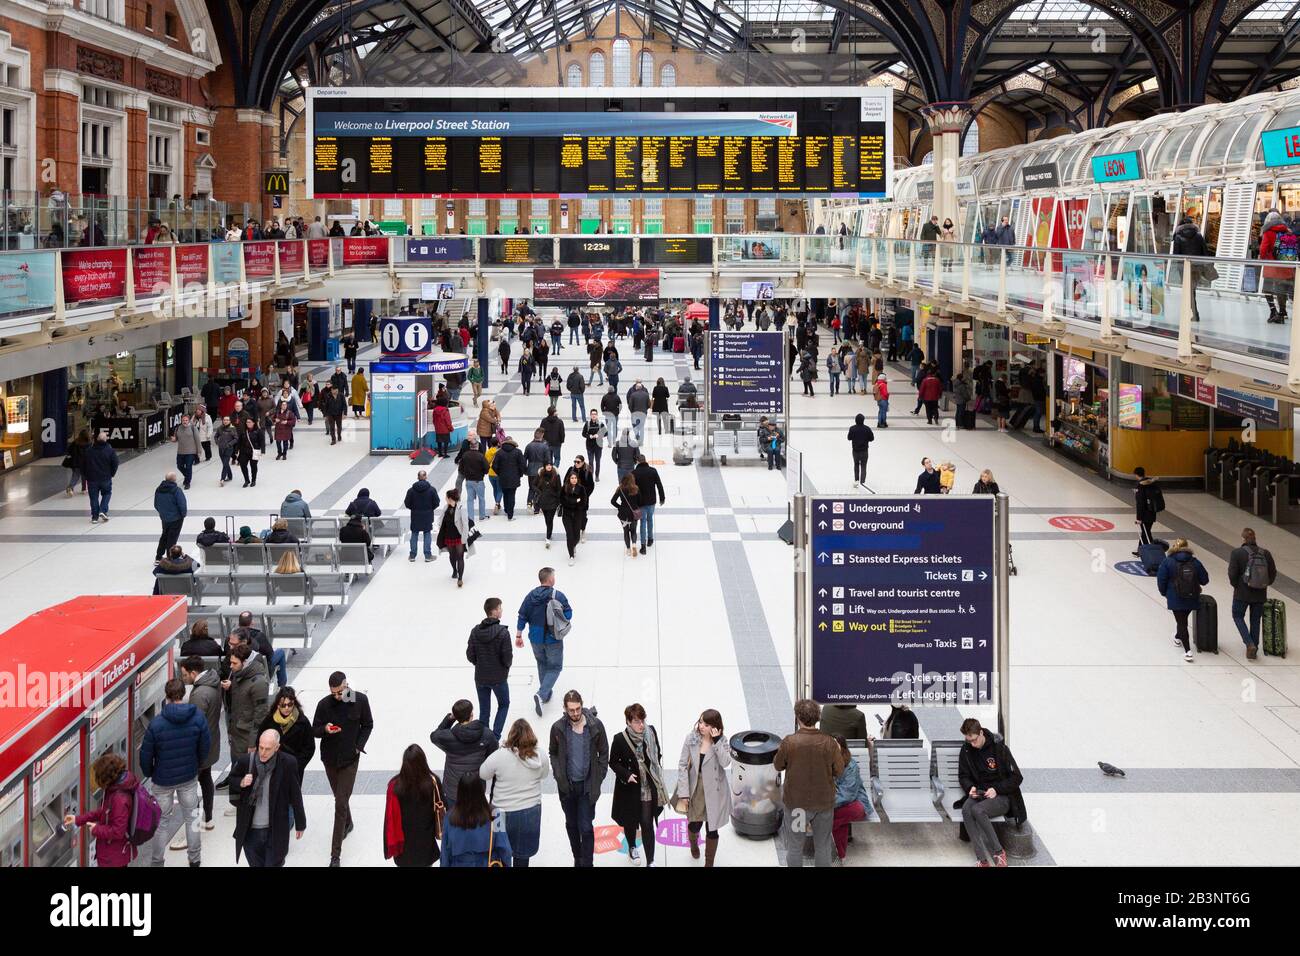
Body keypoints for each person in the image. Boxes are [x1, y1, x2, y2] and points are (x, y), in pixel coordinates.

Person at [138, 677, 209, 867]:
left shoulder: (157, 723)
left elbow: (146, 755)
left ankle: (157, 862)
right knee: (192, 818)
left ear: (166, 696)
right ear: (183, 694)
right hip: (188, 777)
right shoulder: (198, 717)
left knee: (161, 823)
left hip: (162, 780)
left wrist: (151, 773)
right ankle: (194, 860)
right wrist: (197, 766)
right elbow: (205, 747)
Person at [312, 671, 374, 867]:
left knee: (340, 804)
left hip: (350, 759)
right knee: (341, 797)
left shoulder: (360, 700)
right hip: (329, 759)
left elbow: (368, 724)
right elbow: (314, 729)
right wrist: (325, 729)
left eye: (340, 692)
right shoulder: (324, 704)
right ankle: (348, 823)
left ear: (346, 685)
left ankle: (335, 856)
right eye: (334, 693)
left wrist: (358, 746)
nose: (337, 696)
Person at [773, 699, 845, 868]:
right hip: (823, 805)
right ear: (818, 717)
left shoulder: (789, 742)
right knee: (823, 846)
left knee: (795, 846)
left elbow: (778, 765)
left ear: (798, 718)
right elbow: (839, 770)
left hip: (797, 806)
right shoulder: (829, 742)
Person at [549, 690, 609, 867]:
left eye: (578, 709)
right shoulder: (558, 728)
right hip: (567, 787)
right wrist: (558, 774)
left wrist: (599, 776)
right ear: (565, 709)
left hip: (587, 787)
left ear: (582, 705)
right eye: (571, 710)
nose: (575, 713)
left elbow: (604, 752)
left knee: (586, 827)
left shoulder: (595, 726)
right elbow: (552, 751)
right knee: (572, 825)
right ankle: (578, 857)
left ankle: (587, 863)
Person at [231, 729, 308, 867]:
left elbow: (295, 795)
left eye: (268, 749)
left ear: (277, 747)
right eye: (261, 747)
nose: (263, 752)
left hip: (275, 830)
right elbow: (231, 783)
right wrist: (241, 782)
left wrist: (300, 823)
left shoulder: (288, 763)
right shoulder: (246, 762)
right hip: (250, 831)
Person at [478, 719, 548, 868]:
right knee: (522, 856)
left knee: (498, 854)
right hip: (531, 812)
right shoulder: (540, 755)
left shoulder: (500, 755)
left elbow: (483, 773)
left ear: (511, 735)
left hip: (500, 813)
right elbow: (544, 775)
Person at [957, 717, 1026, 867]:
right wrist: (970, 788)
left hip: (1002, 796)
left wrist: (997, 789)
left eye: (974, 740)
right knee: (967, 810)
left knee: (977, 810)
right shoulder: (967, 749)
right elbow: (963, 775)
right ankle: (982, 860)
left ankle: (999, 852)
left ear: (981, 733)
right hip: (980, 793)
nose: (972, 744)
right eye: (969, 741)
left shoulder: (999, 749)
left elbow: (1017, 777)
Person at [609, 703, 668, 867]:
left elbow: (658, 753)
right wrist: (627, 775)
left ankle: (651, 861)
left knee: (647, 823)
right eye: (636, 721)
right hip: (629, 788)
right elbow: (613, 762)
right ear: (628, 722)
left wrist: (654, 769)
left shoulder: (651, 731)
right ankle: (632, 847)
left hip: (648, 786)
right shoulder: (619, 739)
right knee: (630, 822)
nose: (641, 725)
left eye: (642, 720)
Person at [675, 708, 732, 867]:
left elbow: (726, 762)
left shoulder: (722, 741)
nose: (701, 726)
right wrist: (684, 792)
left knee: (712, 829)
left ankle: (709, 863)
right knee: (695, 825)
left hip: (715, 790)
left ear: (714, 726)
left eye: (706, 724)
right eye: (700, 722)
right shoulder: (691, 738)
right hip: (696, 788)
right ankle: (693, 842)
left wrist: (718, 740)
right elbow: (682, 766)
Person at [65, 752, 142, 867]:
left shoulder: (119, 798)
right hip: (115, 853)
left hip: (115, 856)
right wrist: (78, 819)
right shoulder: (117, 789)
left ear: (105, 777)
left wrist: (96, 829)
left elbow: (118, 831)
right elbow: (105, 812)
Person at [516, 567, 572, 715]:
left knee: (541, 663)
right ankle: (541, 694)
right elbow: (569, 613)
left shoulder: (530, 596)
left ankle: (545, 695)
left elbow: (522, 615)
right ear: (550, 579)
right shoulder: (557, 595)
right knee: (555, 667)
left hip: (535, 638)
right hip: (552, 638)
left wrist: (518, 635)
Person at [430, 699, 499, 811]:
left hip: (453, 792)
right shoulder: (487, 734)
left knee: (454, 825)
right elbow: (493, 758)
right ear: (471, 714)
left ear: (456, 717)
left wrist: (449, 719)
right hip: (476, 790)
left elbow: (434, 736)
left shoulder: (447, 737)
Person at [383, 744, 444, 867]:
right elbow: (443, 805)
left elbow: (389, 818)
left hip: (404, 847)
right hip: (426, 843)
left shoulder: (395, 785)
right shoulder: (432, 782)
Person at [1226, 527, 1278, 659]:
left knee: (1237, 616)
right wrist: (1265, 584)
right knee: (1255, 620)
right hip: (1260, 593)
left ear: (1243, 539)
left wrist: (1236, 585)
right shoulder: (1266, 553)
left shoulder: (1237, 553)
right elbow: (1273, 573)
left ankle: (1249, 644)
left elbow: (1232, 573)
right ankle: (1254, 647)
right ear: (1255, 539)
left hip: (1242, 593)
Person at [440, 772, 512, 867]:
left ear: (459, 791)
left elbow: (445, 851)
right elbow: (505, 848)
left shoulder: (449, 817)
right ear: (481, 790)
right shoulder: (496, 814)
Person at [1156, 538, 1210, 662]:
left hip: (1175, 597)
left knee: (1182, 623)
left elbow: (1161, 580)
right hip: (1192, 596)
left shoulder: (1167, 562)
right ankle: (1177, 636)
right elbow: (1205, 580)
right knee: (1182, 619)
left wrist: (1164, 593)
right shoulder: (1195, 562)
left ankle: (1188, 651)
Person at [257, 687, 316, 786]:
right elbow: (259, 740)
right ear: (278, 705)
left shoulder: (302, 721)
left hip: (293, 769)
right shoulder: (269, 720)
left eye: (290, 704)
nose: (287, 708)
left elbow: (309, 747)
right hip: (272, 768)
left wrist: (298, 765)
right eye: (283, 705)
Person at [224, 643, 269, 763]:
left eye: (234, 663)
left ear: (245, 663)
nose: (231, 666)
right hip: (236, 732)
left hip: (246, 736)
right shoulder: (239, 674)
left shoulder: (259, 683)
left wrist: (253, 742)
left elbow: (260, 715)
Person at [831, 735, 872, 862]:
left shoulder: (850, 766)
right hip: (838, 806)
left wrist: (825, 803)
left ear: (842, 748)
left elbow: (847, 795)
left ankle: (822, 840)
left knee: (831, 817)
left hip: (856, 804)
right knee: (838, 820)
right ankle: (840, 856)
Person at [1259, 209, 1294, 323]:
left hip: (1272, 265)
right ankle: (1282, 313)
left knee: (1266, 289)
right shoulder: (1288, 231)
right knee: (1281, 289)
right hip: (1286, 263)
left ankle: (1273, 311)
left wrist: (1263, 258)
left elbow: (1263, 250)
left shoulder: (1268, 232)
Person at [435, 487, 474, 586]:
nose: (445, 498)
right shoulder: (446, 507)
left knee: (460, 557)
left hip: (458, 537)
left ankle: (460, 578)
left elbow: (465, 524)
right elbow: (441, 520)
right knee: (452, 555)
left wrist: (464, 538)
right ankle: (454, 571)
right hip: (448, 536)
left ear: (450, 498)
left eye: (446, 497)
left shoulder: (461, 508)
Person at [631, 454, 664, 554]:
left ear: (637, 461)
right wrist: (662, 498)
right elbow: (659, 485)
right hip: (652, 501)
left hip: (640, 503)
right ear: (645, 460)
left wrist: (633, 503)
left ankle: (643, 546)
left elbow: (632, 489)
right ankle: (650, 539)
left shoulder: (634, 473)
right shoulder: (653, 471)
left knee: (643, 522)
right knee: (650, 520)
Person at [404, 470, 440, 562]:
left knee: (414, 534)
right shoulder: (432, 490)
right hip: (427, 515)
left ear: (418, 477)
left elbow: (407, 503)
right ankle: (428, 556)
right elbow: (436, 503)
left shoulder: (411, 490)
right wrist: (430, 508)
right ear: (426, 477)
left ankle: (412, 555)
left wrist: (414, 508)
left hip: (415, 515)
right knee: (427, 533)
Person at [153, 471, 188, 563]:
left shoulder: (158, 489)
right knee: (172, 538)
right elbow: (182, 504)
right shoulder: (176, 490)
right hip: (176, 518)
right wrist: (183, 515)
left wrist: (162, 513)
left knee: (164, 536)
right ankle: (170, 557)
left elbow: (156, 504)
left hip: (164, 518)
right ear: (174, 479)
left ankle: (158, 556)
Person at [559, 469, 589, 565]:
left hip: (577, 514)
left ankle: (573, 545)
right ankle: (571, 555)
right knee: (569, 535)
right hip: (567, 515)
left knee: (576, 536)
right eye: (572, 478)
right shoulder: (564, 488)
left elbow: (583, 501)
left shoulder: (581, 488)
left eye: (575, 478)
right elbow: (562, 501)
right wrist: (575, 501)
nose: (574, 479)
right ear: (569, 479)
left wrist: (572, 501)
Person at [492, 437, 526, 520]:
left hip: (503, 477)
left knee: (505, 493)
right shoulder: (518, 452)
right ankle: (510, 515)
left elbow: (494, 466)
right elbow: (523, 465)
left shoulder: (499, 452)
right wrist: (520, 474)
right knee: (511, 495)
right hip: (514, 477)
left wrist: (499, 473)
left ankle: (507, 510)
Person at [1133, 466, 1165, 551]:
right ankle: (1141, 550)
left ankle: (1153, 549)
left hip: (1144, 514)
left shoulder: (1140, 486)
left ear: (1136, 475)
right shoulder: (1152, 483)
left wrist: (1139, 518)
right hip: (1152, 511)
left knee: (1146, 532)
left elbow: (1140, 503)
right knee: (1146, 531)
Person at [611, 474, 640, 558]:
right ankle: (634, 544)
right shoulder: (636, 489)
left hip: (623, 514)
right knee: (633, 530)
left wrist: (619, 507)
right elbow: (640, 501)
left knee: (626, 531)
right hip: (633, 513)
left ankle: (628, 549)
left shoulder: (620, 489)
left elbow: (612, 501)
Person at [534, 462, 562, 548]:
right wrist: (539, 492)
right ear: (544, 466)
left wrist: (559, 500)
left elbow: (559, 488)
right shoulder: (540, 475)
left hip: (553, 501)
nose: (549, 466)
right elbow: (533, 485)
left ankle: (548, 538)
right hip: (543, 501)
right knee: (547, 519)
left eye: (550, 465)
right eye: (547, 465)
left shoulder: (556, 475)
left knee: (550, 520)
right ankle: (549, 532)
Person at [171, 414, 201, 489]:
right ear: (181, 421)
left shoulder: (193, 428)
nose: (185, 422)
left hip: (191, 452)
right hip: (181, 451)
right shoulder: (178, 428)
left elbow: (197, 440)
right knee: (179, 466)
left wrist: (199, 451)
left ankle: (187, 482)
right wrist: (174, 440)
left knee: (188, 467)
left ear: (189, 420)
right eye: (183, 420)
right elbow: (176, 439)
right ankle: (187, 476)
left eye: (186, 420)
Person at [847, 413, 874, 488]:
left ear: (855, 420)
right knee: (863, 466)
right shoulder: (867, 429)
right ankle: (863, 482)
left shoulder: (852, 428)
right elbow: (872, 439)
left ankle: (856, 481)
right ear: (863, 420)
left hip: (855, 451)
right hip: (864, 451)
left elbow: (849, 438)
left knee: (856, 465)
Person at [237, 417, 264, 487]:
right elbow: (239, 442)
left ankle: (253, 480)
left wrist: (262, 451)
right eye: (247, 422)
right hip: (244, 451)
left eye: (249, 422)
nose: (248, 423)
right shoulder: (243, 431)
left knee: (253, 466)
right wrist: (237, 450)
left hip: (254, 451)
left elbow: (262, 441)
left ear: (253, 423)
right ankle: (246, 480)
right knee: (243, 465)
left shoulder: (258, 431)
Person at [581, 410, 606, 483]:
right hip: (590, 446)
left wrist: (599, 435)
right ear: (590, 415)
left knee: (598, 461)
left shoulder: (601, 424)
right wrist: (589, 436)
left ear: (597, 415)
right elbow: (583, 434)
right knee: (591, 462)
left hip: (598, 446)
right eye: (592, 414)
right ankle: (591, 476)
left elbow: (606, 433)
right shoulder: (587, 424)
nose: (594, 415)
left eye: (595, 414)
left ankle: (597, 475)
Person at [626, 379, 651, 445]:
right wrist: (645, 409)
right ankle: (641, 442)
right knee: (641, 427)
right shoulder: (646, 394)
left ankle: (637, 435)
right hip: (643, 413)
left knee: (635, 426)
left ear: (637, 388)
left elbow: (630, 405)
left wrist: (632, 411)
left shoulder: (633, 395)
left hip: (635, 413)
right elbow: (649, 404)